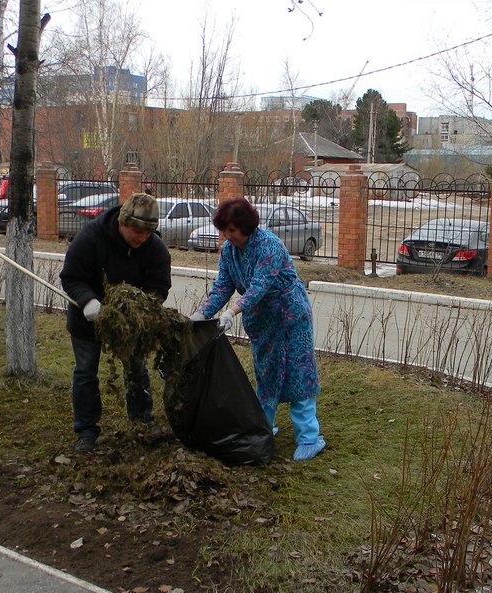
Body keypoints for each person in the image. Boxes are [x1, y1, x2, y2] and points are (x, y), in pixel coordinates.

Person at [189, 197, 326, 462]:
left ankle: (310, 437)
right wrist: (203, 313)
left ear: (245, 226)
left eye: (231, 230)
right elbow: (223, 285)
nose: (227, 236)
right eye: (224, 231)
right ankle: (263, 427)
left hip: (289, 315)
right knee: (266, 371)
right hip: (261, 320)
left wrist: (232, 311)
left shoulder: (269, 246)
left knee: (299, 372)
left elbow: (259, 286)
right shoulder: (229, 251)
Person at [60, 192, 171, 453]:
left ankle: (142, 422)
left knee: (136, 369)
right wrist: (88, 301)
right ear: (122, 222)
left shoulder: (154, 249)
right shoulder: (90, 237)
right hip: (87, 317)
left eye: (147, 233)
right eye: (136, 232)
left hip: (130, 324)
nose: (141, 238)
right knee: (86, 371)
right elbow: (71, 277)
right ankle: (86, 430)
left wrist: (139, 310)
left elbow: (159, 288)